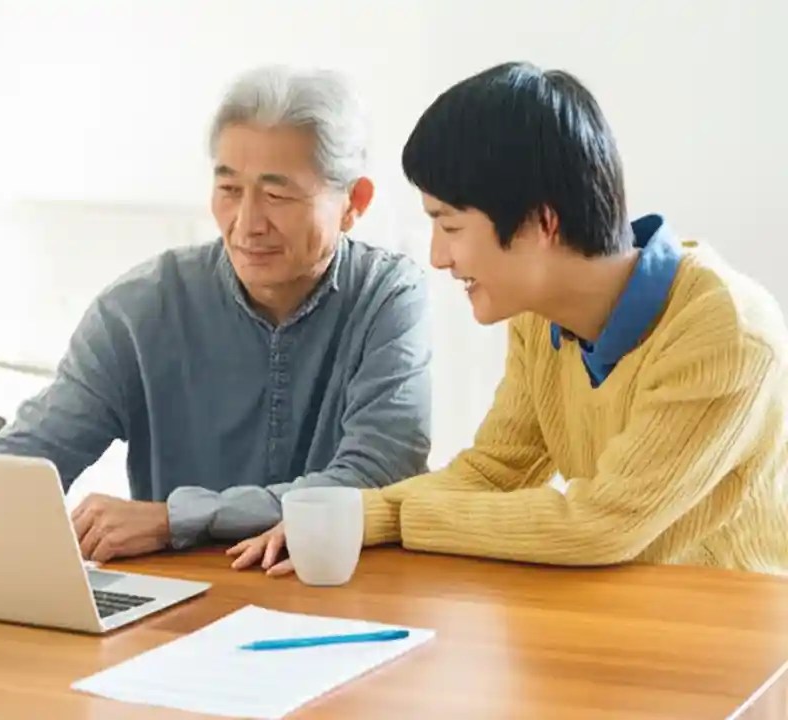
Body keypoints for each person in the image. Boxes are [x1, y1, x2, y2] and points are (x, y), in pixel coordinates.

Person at [232, 61, 788, 576]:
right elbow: (495, 471)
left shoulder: (727, 331)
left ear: (540, 223)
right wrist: (354, 516)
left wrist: (397, 520)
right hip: (615, 615)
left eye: (449, 227)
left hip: (736, 643)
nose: (438, 257)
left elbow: (600, 526)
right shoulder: (537, 317)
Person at [0, 66, 433, 563]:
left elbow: (375, 477)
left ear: (354, 202)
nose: (247, 224)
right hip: (179, 604)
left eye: (276, 194)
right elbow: (30, 460)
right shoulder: (141, 308)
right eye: (229, 190)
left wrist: (176, 520)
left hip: (339, 599)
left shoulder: (389, 298)